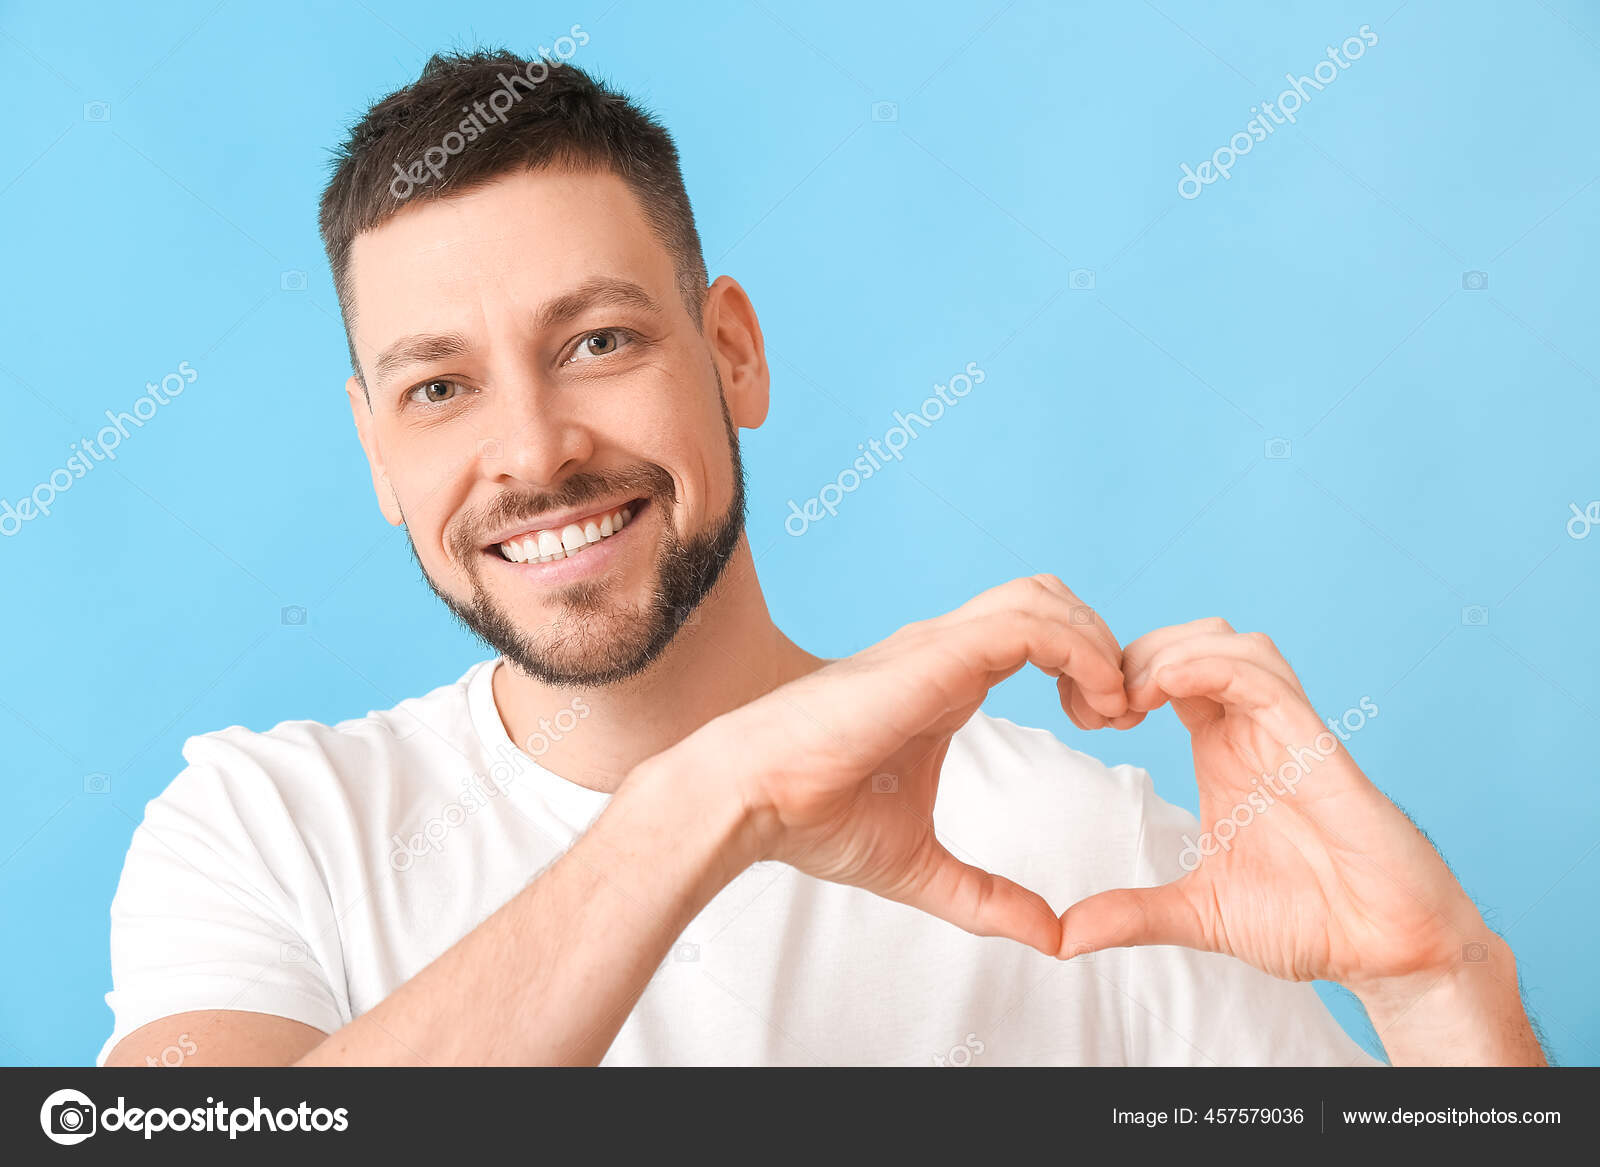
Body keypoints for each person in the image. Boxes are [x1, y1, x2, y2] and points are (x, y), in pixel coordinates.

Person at [99, 53, 1544, 1067]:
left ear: (732, 352)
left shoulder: (1079, 859)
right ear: (374, 453)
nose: (532, 453)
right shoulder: (262, 831)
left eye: (598, 341)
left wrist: (1443, 991)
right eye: (438, 388)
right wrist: (706, 802)